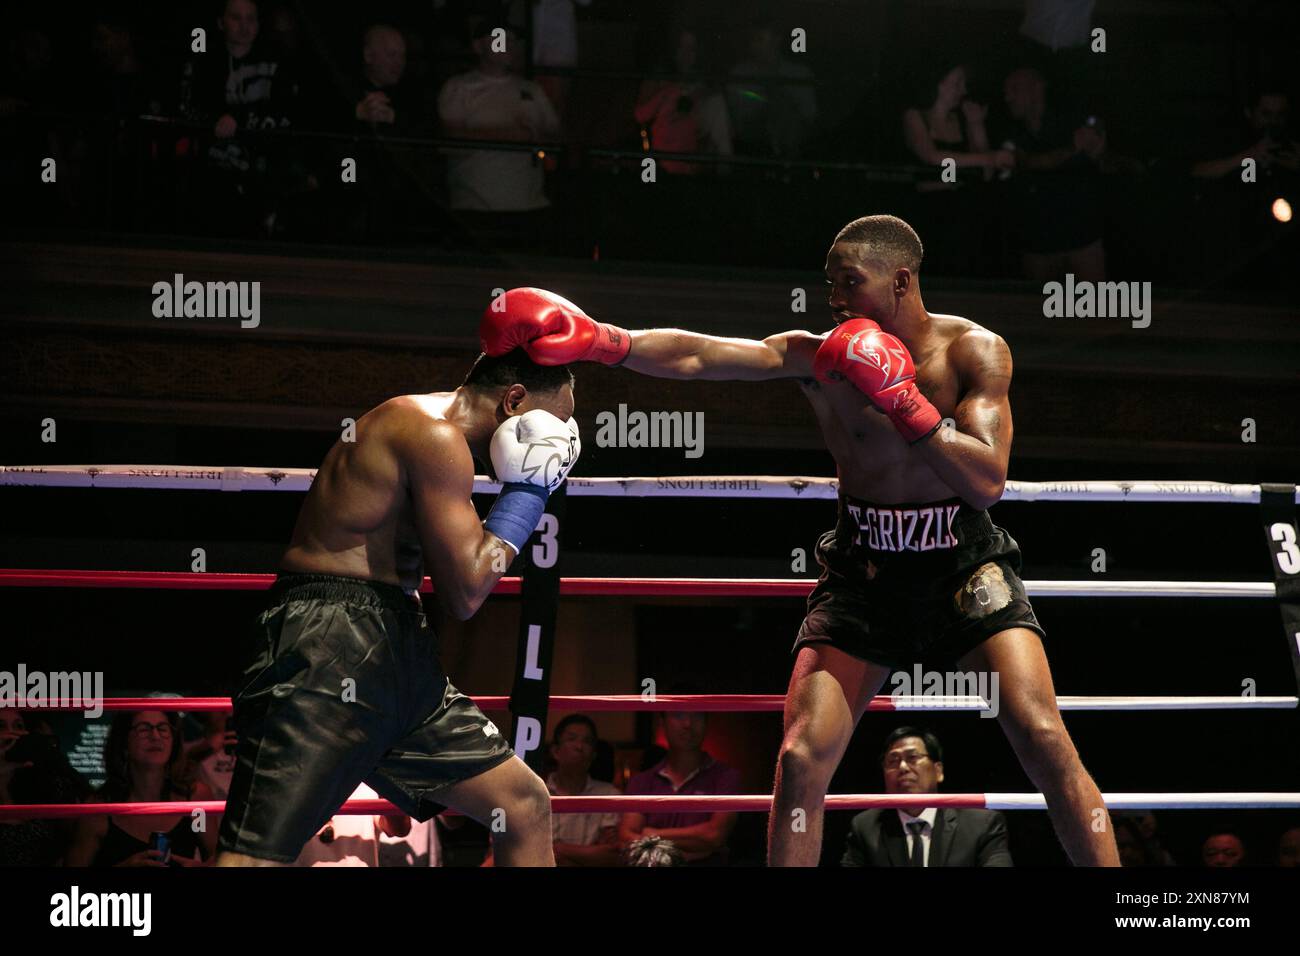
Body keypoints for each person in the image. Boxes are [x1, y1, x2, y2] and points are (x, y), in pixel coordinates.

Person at [479, 218, 1121, 868]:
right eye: (829, 286)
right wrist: (601, 340)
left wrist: (906, 403)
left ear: (902, 280)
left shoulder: (973, 352)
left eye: (850, 283)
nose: (836, 300)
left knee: (1042, 735)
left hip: (963, 564)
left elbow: (986, 481)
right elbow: (703, 355)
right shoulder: (820, 358)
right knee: (800, 757)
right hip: (864, 572)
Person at [215, 343, 581, 866]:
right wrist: (529, 493)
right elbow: (467, 591)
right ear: (515, 400)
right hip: (326, 646)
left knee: (522, 805)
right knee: (254, 857)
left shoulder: (438, 437)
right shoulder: (431, 433)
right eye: (558, 424)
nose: (562, 441)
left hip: (398, 645)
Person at [842, 727, 1012, 867]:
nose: (902, 767)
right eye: (892, 761)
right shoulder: (865, 827)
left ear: (938, 771)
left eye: (912, 758)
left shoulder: (981, 824)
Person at [66, 709, 214, 867]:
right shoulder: (98, 810)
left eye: (163, 729)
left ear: (174, 741)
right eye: (144, 729)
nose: (155, 736)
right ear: (123, 741)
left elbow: (216, 856)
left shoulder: (194, 800)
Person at [618, 706, 741, 866]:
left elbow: (714, 835)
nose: (688, 724)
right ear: (662, 722)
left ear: (706, 722)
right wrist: (692, 846)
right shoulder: (642, 781)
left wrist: (652, 834)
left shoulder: (726, 777)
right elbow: (626, 837)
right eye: (678, 715)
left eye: (697, 715)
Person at [546, 715, 621, 866]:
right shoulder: (536, 794)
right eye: (571, 739)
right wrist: (588, 854)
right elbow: (529, 851)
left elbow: (610, 855)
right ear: (555, 751)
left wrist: (558, 848)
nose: (579, 746)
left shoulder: (609, 795)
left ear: (593, 755)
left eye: (587, 741)